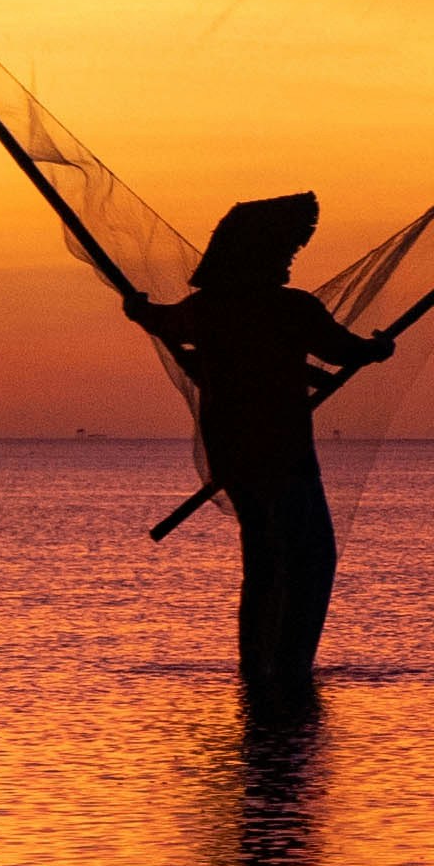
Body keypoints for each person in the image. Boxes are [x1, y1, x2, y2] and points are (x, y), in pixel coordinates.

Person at [124, 193, 393, 695]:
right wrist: (378, 348)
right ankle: (287, 669)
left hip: (235, 455)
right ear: (258, 253)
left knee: (265, 559)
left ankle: (257, 667)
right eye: (284, 251)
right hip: (282, 453)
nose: (289, 260)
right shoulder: (288, 308)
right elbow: (342, 349)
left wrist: (140, 311)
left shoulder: (207, 311)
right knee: (306, 557)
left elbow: (167, 323)